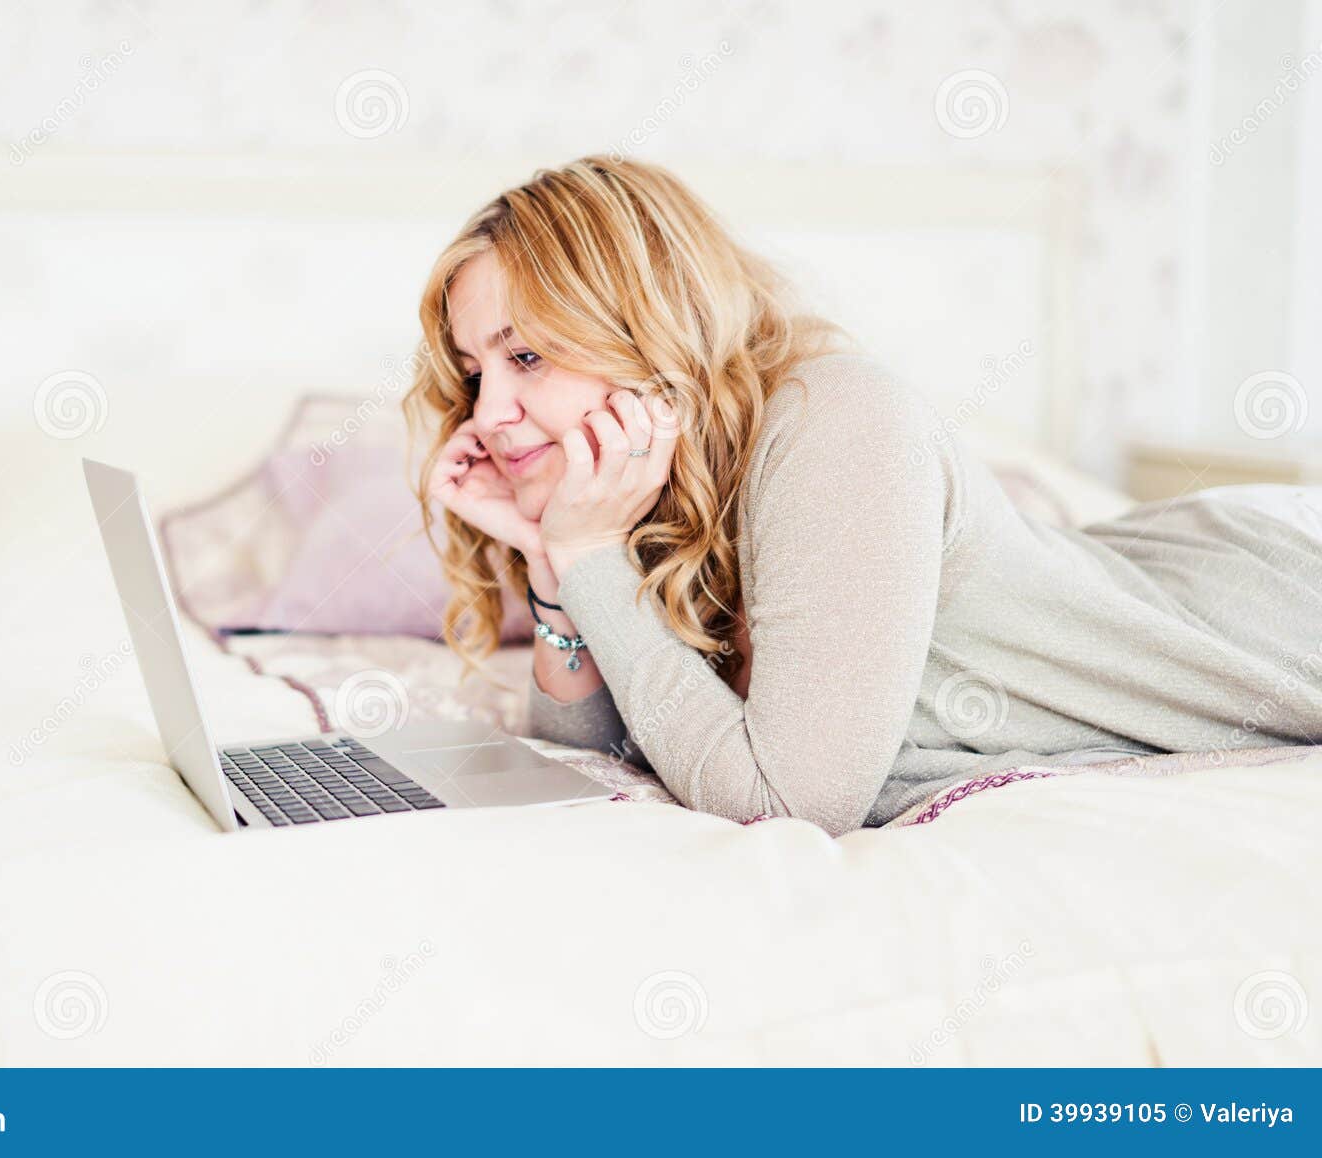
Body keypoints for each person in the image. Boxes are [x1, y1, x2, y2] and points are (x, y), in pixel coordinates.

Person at [399, 154, 1322, 837]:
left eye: (526, 356)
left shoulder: (836, 417)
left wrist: (591, 554)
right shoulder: (645, 488)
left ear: (650, 332)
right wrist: (554, 558)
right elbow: (595, 750)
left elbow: (789, 805)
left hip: (1268, 602)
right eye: (476, 370)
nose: (491, 412)